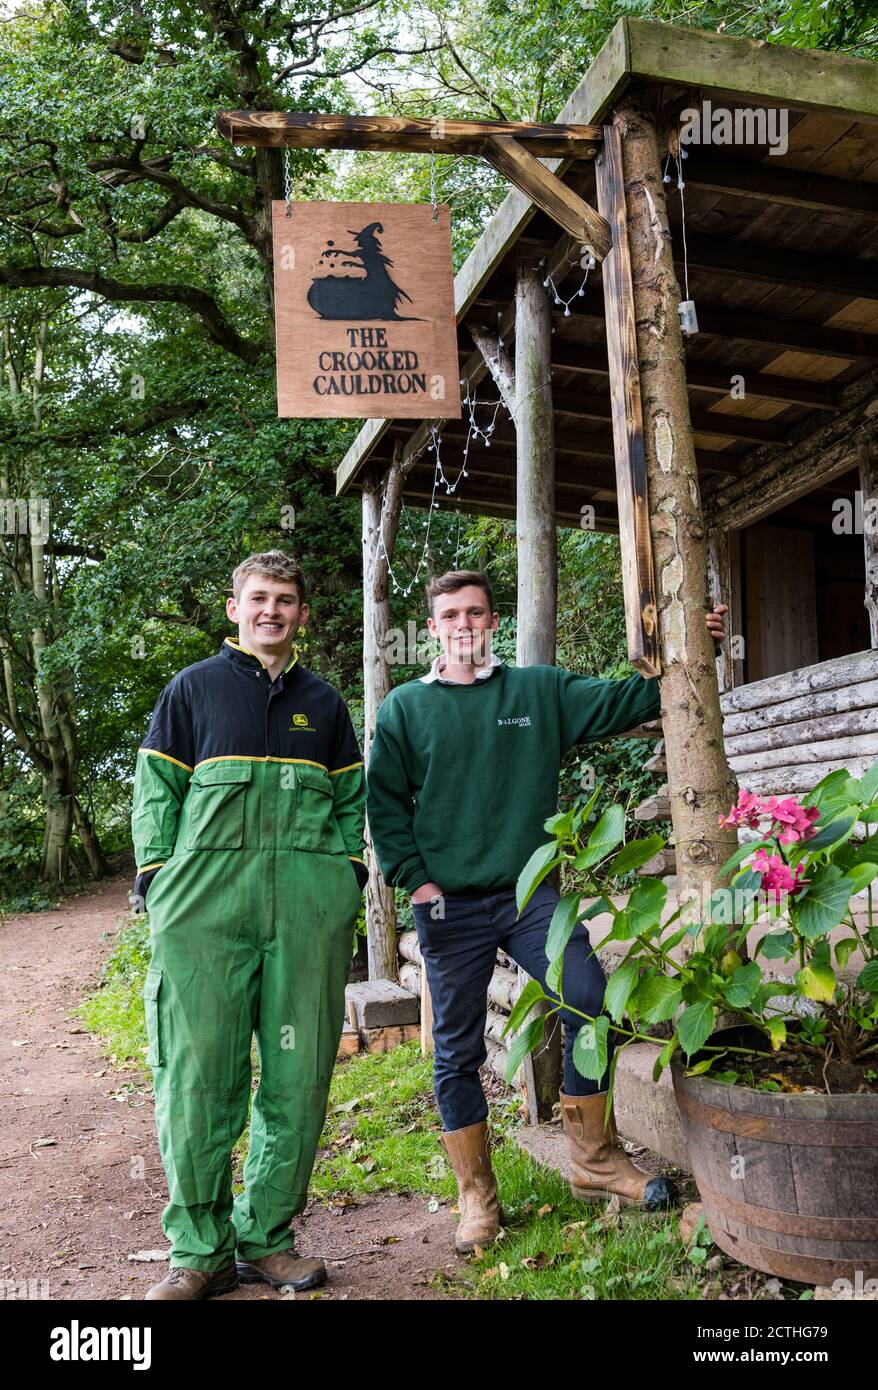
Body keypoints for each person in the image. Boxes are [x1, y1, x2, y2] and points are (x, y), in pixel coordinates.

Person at [366, 570, 727, 1253]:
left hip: (530, 896)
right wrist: (417, 887)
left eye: (475, 612)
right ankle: (477, 1196)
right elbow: (384, 804)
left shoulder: (538, 691)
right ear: (433, 627)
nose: (464, 624)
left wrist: (692, 647)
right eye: (450, 615)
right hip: (449, 906)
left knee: (589, 995)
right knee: (456, 1050)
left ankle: (593, 1161)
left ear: (492, 621)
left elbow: (631, 698)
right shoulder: (406, 710)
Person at [131, 550, 367, 1299]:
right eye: (259, 597)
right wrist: (159, 884)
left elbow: (351, 805)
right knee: (199, 1077)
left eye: (287, 599)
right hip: (204, 916)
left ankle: (265, 1238)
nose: (273, 610)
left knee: (298, 1078)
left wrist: (346, 881)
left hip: (305, 914)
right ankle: (197, 1251)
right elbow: (155, 796)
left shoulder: (324, 705)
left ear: (301, 614)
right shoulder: (191, 692)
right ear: (233, 608)